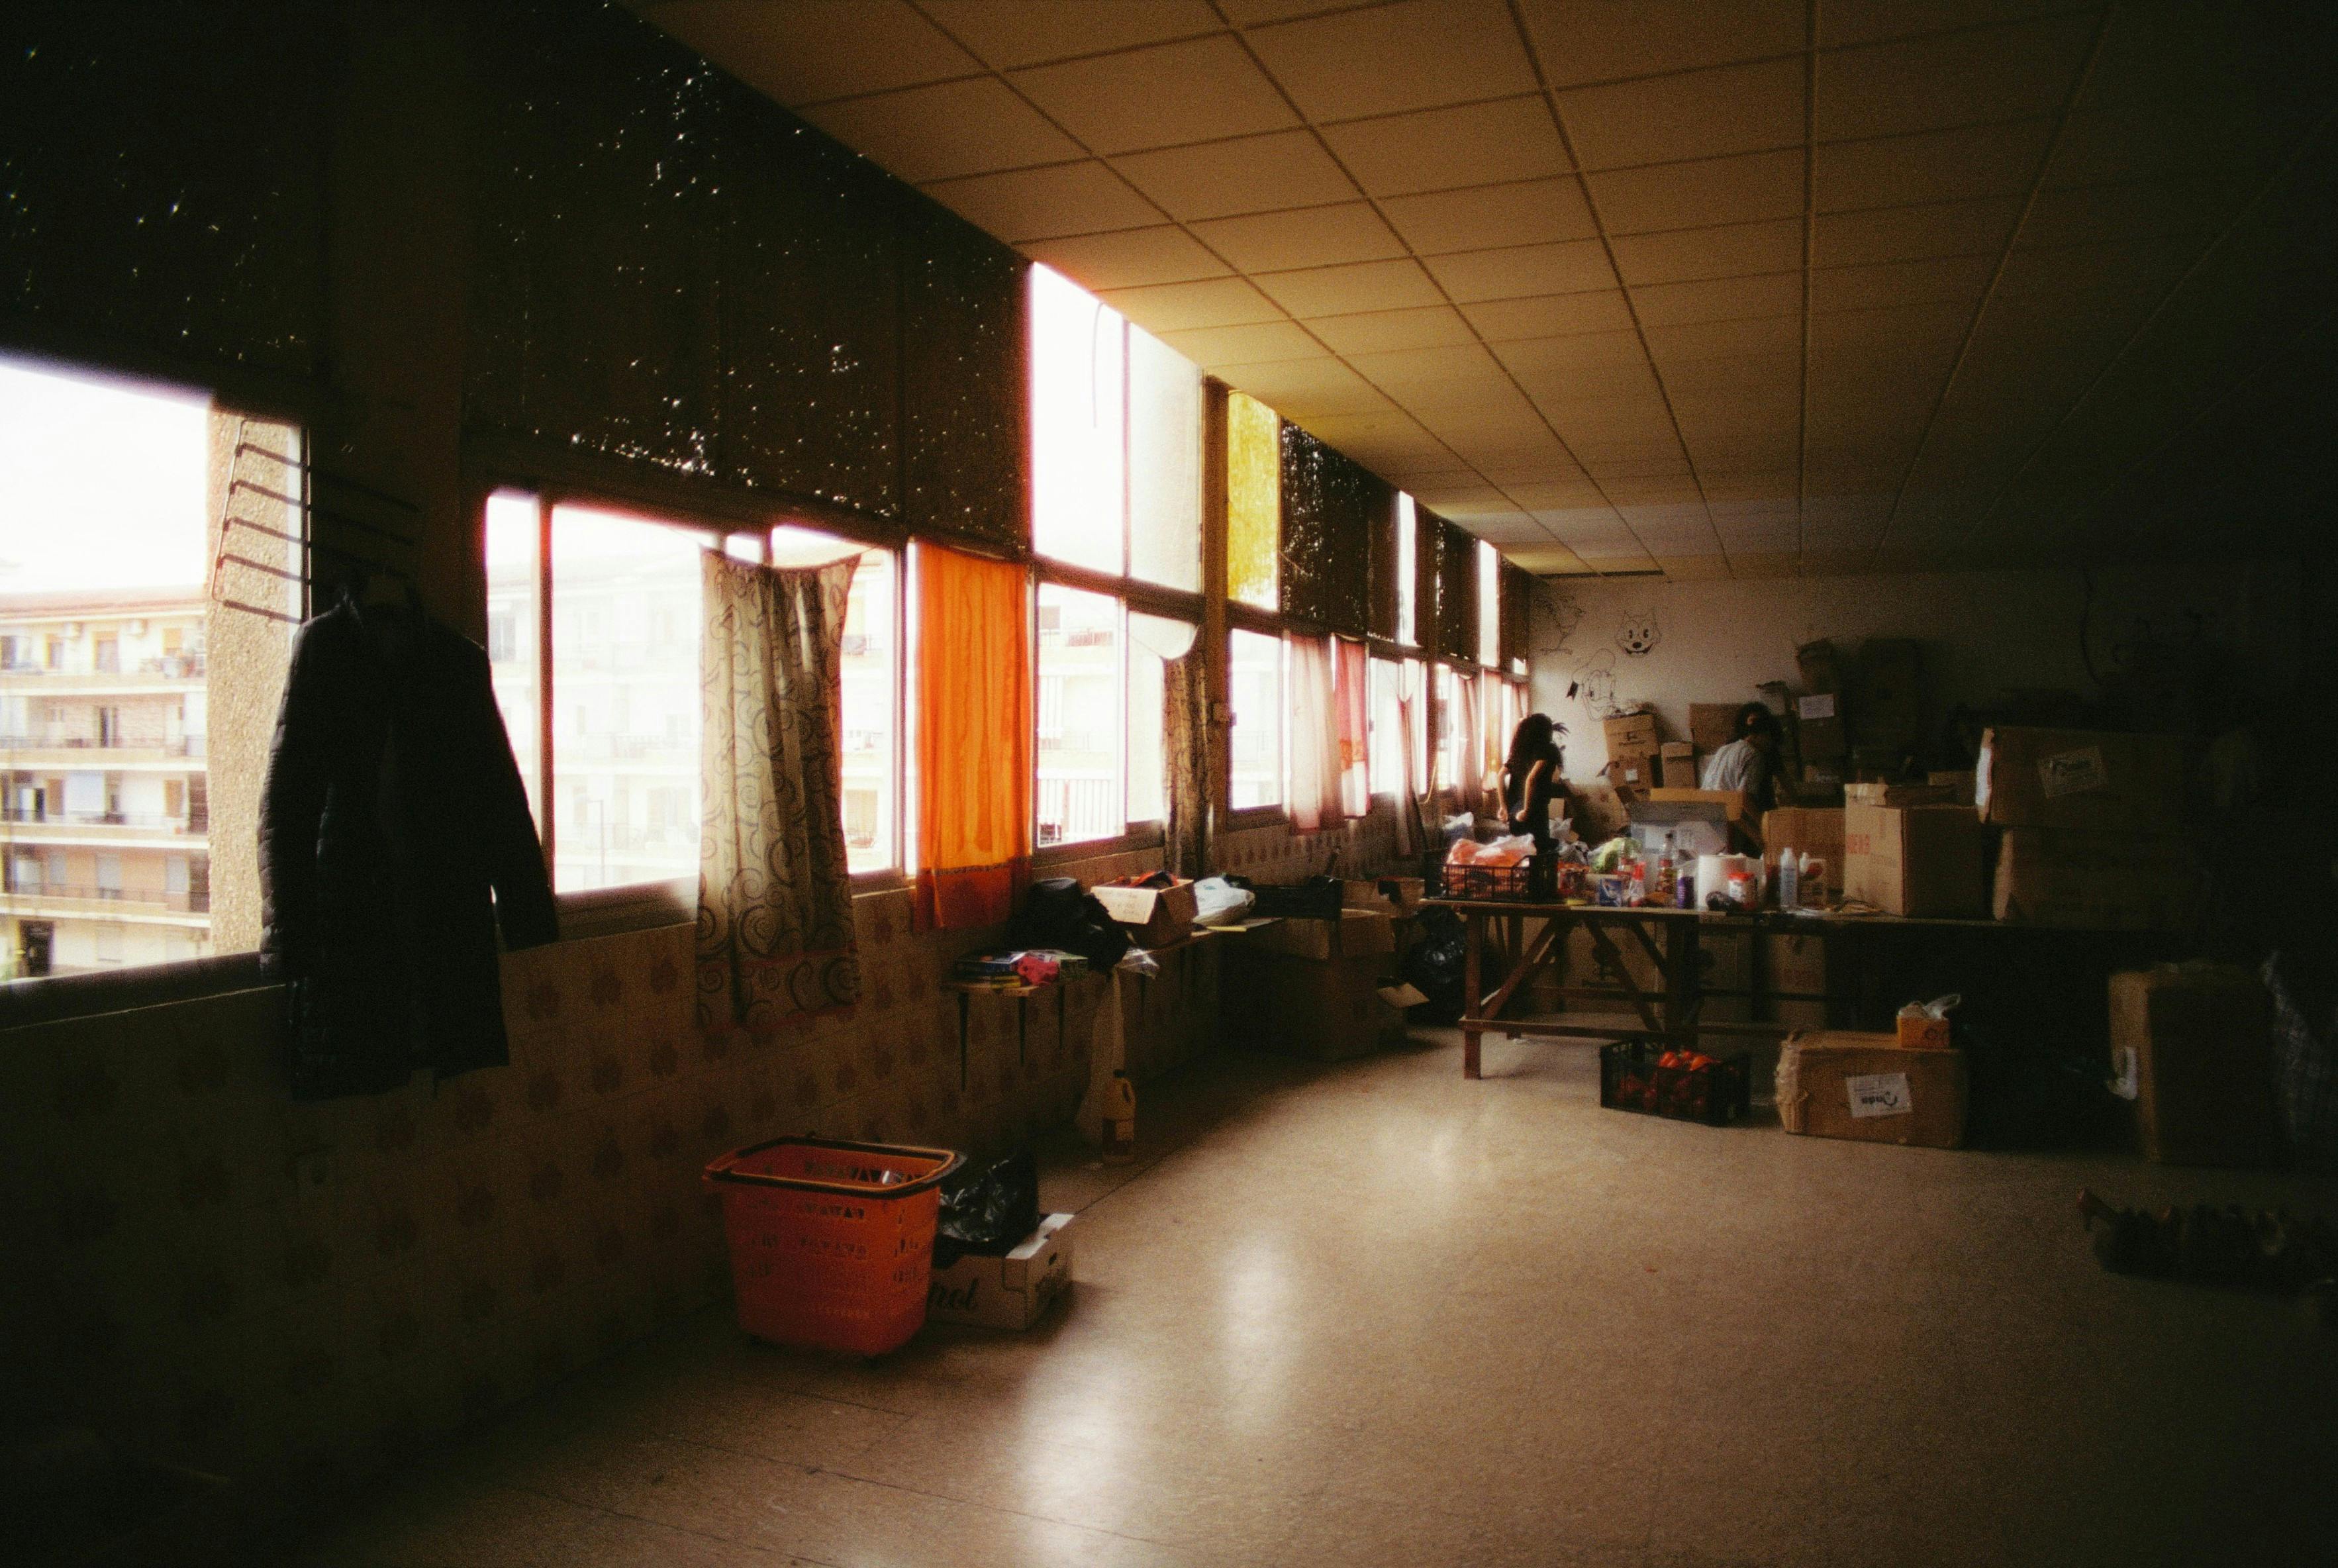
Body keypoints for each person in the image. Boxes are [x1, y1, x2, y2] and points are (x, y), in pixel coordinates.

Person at [1502, 712, 1565, 855]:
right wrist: (1527, 809)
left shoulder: (1520, 751)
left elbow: (1501, 775)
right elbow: (1531, 779)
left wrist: (1503, 808)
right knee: (1540, 854)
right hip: (1534, 810)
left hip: (1514, 813)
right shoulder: (1548, 750)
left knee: (1521, 856)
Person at [1699, 702, 1779, 812]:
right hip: (1727, 815)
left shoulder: (1725, 749)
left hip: (1706, 811)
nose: (1770, 747)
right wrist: (1762, 824)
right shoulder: (1754, 755)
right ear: (1763, 734)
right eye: (1770, 741)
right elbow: (1745, 798)